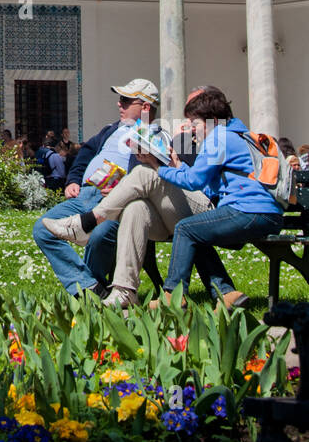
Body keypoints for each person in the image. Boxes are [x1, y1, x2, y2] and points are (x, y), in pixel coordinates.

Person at [42, 86, 246, 309]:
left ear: (211, 114)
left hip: (216, 211)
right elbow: (87, 153)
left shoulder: (219, 135)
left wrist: (166, 163)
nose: (187, 119)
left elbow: (198, 181)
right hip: (180, 208)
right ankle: (124, 290)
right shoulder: (199, 135)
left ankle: (89, 222)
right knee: (136, 208)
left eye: (193, 115)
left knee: (145, 173)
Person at [144, 87, 288, 305]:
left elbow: (194, 181)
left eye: (195, 124)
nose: (193, 130)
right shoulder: (235, 133)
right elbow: (205, 184)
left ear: (210, 120)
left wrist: (158, 168)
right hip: (266, 212)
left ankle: (172, 296)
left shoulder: (219, 138)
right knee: (198, 232)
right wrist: (178, 166)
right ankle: (226, 294)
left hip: (250, 211)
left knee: (185, 228)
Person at [33, 78, 160, 298]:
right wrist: (73, 180)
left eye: (125, 100)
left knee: (100, 235)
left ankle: (89, 293)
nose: (119, 104)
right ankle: (90, 287)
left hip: (114, 201)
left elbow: (150, 174)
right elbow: (85, 153)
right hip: (84, 195)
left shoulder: (156, 136)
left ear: (145, 107)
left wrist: (122, 190)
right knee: (43, 229)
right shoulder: (110, 129)